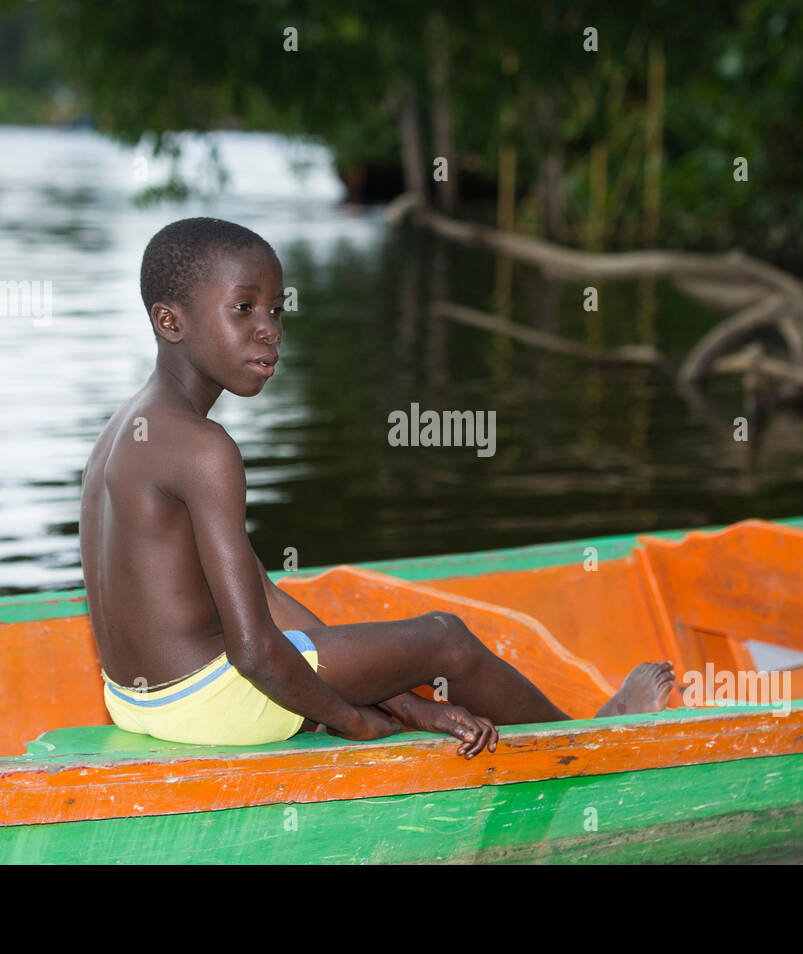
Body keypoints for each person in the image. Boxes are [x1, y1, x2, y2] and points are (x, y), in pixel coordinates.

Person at [79, 218, 676, 759]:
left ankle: (524, 724)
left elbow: (262, 597)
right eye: (243, 309)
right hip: (214, 703)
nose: (269, 332)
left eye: (277, 310)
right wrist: (350, 719)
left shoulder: (120, 432)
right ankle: (590, 742)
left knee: (351, 651)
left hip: (139, 703)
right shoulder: (205, 449)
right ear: (170, 320)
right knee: (444, 638)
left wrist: (403, 701)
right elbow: (255, 652)